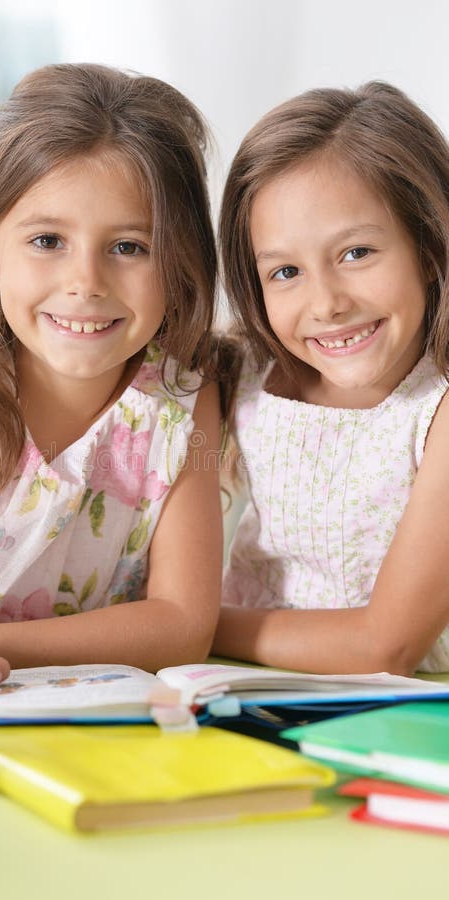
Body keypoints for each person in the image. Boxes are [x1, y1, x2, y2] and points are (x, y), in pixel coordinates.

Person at [0, 63, 225, 694]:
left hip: (62, 740)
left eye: (130, 246)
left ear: (180, 266)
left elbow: (183, 626)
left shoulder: (183, 405)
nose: (86, 282)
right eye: (48, 240)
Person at [214, 80, 449, 675]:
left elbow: (385, 647)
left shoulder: (437, 411)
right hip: (242, 688)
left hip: (402, 711)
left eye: (355, 253)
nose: (326, 303)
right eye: (286, 271)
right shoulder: (247, 373)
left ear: (428, 244)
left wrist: (180, 622)